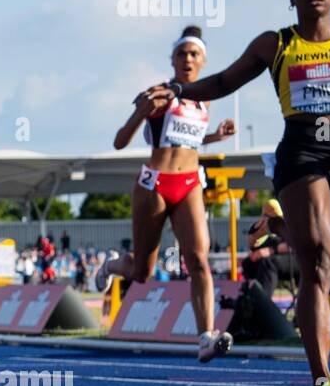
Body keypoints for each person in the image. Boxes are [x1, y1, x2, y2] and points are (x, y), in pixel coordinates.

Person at [145, 0, 330, 386]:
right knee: (318, 261)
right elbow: (226, 80)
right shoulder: (276, 43)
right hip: (303, 156)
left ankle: (276, 227)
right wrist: (180, 92)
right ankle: (322, 382)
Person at [97, 26, 237, 363]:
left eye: (194, 54)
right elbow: (119, 141)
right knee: (142, 273)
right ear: (172, 60)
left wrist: (216, 137)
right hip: (154, 184)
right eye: (181, 54)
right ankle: (114, 265)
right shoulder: (159, 95)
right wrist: (139, 113)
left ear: (203, 61)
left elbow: (187, 141)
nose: (187, 59)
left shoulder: (204, 98)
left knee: (199, 260)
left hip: (190, 183)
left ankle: (206, 336)